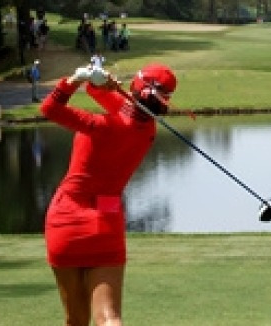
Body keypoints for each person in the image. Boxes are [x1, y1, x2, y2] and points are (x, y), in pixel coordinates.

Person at [40, 62, 177, 326]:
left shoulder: (98, 125)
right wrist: (99, 85)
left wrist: (75, 79)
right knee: (109, 317)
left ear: (135, 86)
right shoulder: (147, 131)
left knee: (76, 321)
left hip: (65, 218)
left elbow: (50, 108)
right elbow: (118, 105)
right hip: (106, 221)